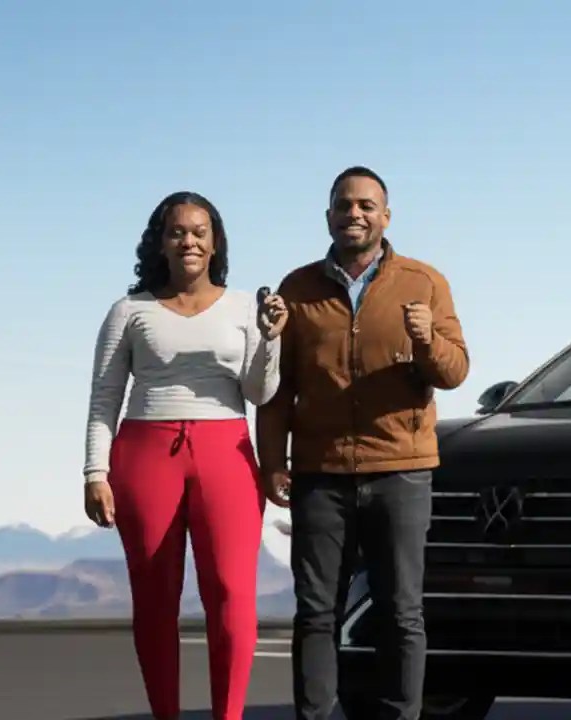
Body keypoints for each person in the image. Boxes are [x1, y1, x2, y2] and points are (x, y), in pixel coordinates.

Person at [255, 165, 469, 720]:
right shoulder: (297, 289)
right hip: (320, 474)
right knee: (316, 611)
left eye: (366, 205)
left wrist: (425, 342)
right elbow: (279, 389)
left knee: (401, 612)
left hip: (400, 471)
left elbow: (455, 371)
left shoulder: (425, 282)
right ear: (328, 215)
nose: (355, 213)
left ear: (386, 216)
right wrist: (272, 462)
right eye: (345, 205)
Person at [82, 191, 290, 720]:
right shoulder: (130, 311)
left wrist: (270, 341)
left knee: (231, 593)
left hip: (227, 451)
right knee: (155, 597)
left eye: (200, 231)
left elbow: (261, 392)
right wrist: (94, 472)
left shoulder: (247, 306)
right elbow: (104, 396)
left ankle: (229, 715)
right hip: (146, 453)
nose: (189, 240)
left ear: (215, 241)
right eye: (177, 231)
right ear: (161, 242)